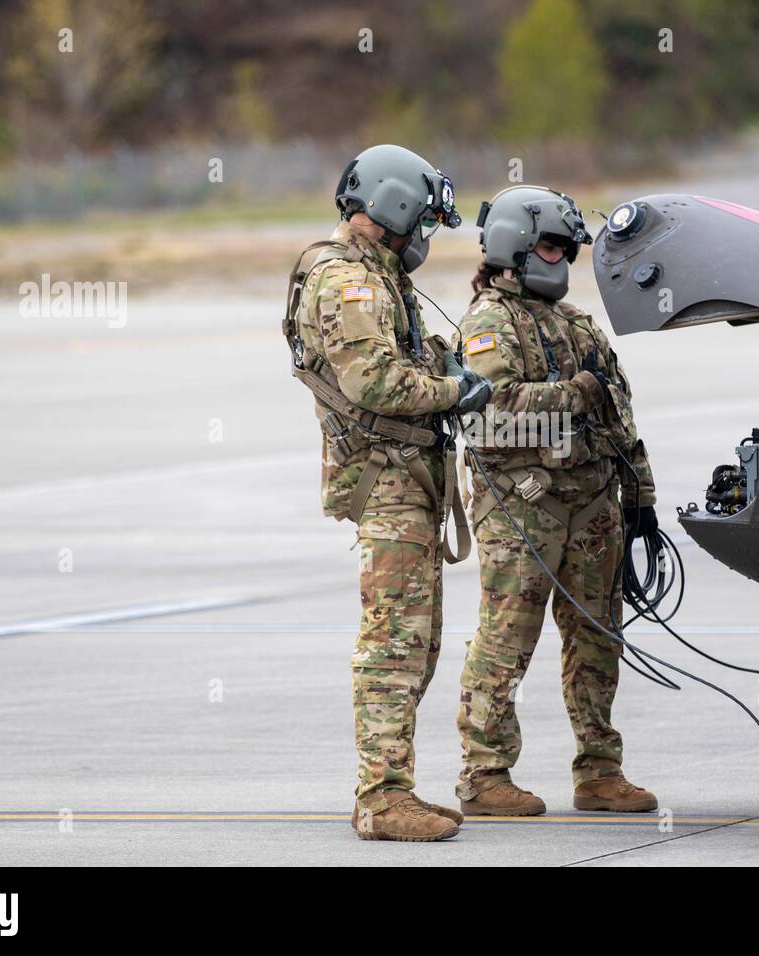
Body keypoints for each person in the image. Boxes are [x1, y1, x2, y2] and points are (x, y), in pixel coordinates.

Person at [282, 144, 492, 841]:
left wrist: (444, 363)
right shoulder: (349, 282)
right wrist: (456, 392)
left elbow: (402, 357)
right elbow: (375, 384)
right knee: (394, 645)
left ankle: (394, 785)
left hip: (408, 478)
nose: (426, 236)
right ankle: (380, 799)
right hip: (387, 482)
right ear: (395, 208)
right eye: (424, 220)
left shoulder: (377, 280)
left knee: (417, 642)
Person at [452, 185, 659, 816]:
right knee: (508, 636)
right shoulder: (489, 321)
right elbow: (495, 407)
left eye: (568, 249)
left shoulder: (574, 323)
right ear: (514, 247)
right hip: (524, 504)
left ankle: (599, 770)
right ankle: (485, 775)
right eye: (550, 246)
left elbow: (619, 411)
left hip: (592, 498)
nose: (561, 259)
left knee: (599, 637)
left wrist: (640, 495)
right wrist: (576, 393)